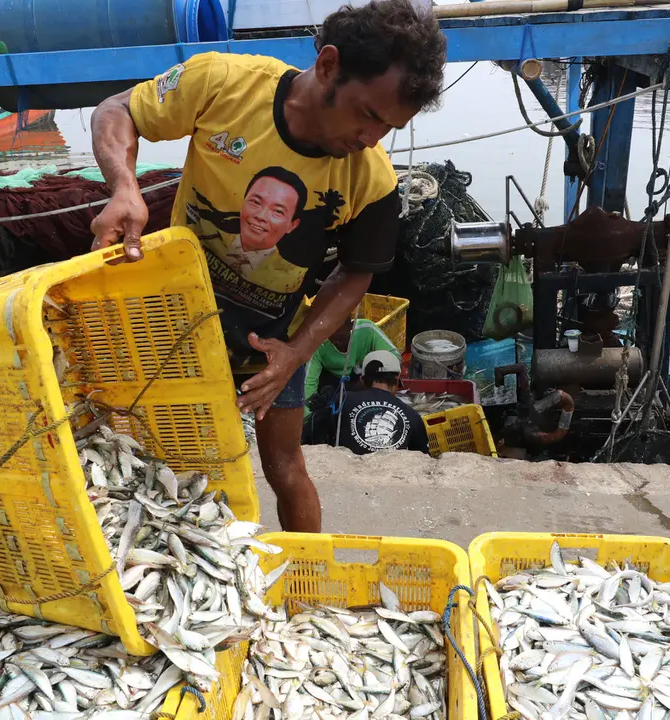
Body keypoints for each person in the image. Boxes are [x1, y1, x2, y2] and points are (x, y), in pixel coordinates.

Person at [86, 0, 447, 533]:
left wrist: (294, 353)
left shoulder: (372, 180)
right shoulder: (223, 84)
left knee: (284, 466)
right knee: (141, 455)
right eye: (369, 115)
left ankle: (307, 589)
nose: (372, 139)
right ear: (328, 66)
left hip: (269, 339)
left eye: (389, 127)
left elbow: (356, 274)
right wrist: (124, 187)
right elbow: (118, 111)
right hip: (167, 313)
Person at [310, 350, 430, 456]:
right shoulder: (412, 415)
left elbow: (315, 434)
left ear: (362, 380)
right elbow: (422, 458)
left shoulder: (342, 400)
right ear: (398, 377)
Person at [303, 314, 399, 417]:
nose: (337, 342)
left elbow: (394, 356)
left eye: (341, 337)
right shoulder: (318, 343)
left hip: (363, 376)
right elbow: (308, 385)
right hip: (334, 383)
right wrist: (308, 419)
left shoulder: (367, 329)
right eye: (332, 338)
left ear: (351, 326)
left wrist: (372, 376)